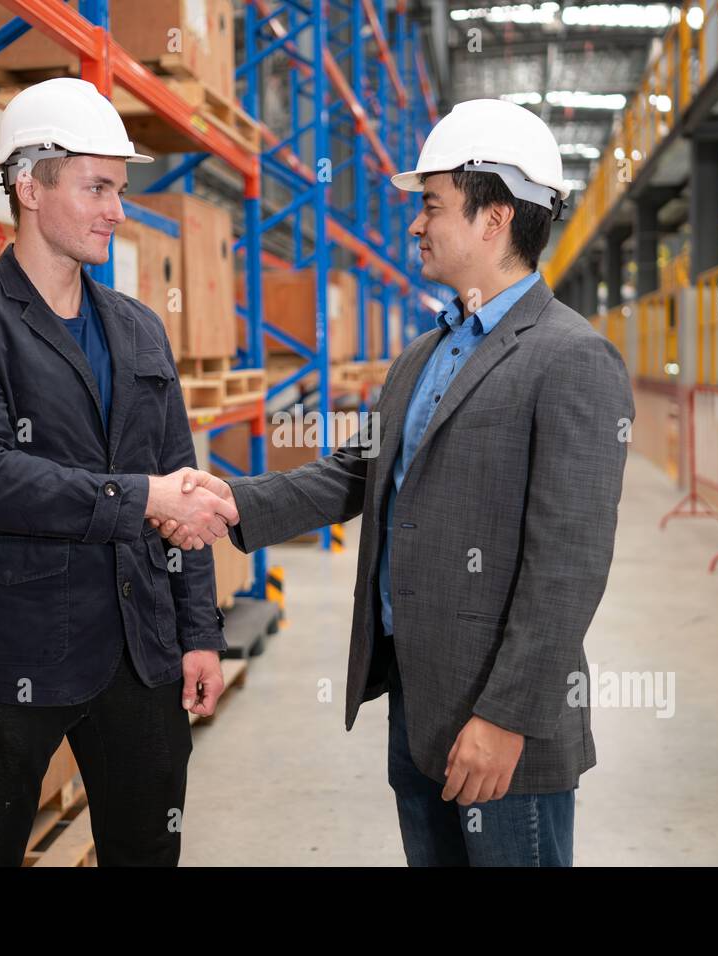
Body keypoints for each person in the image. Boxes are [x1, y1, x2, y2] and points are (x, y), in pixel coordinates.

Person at [155, 99, 634, 867]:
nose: (416, 225)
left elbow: (569, 568)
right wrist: (231, 500)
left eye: (432, 206)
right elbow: (355, 471)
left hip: (501, 721)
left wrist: (505, 717)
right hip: (420, 700)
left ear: (493, 218)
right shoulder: (424, 355)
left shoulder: (570, 359)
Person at [0, 77, 237, 866]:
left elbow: (180, 483)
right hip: (14, 653)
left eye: (119, 191)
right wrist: (140, 498)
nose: (116, 212)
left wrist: (199, 634)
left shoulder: (138, 329)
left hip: (141, 652)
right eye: (97, 188)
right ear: (28, 186)